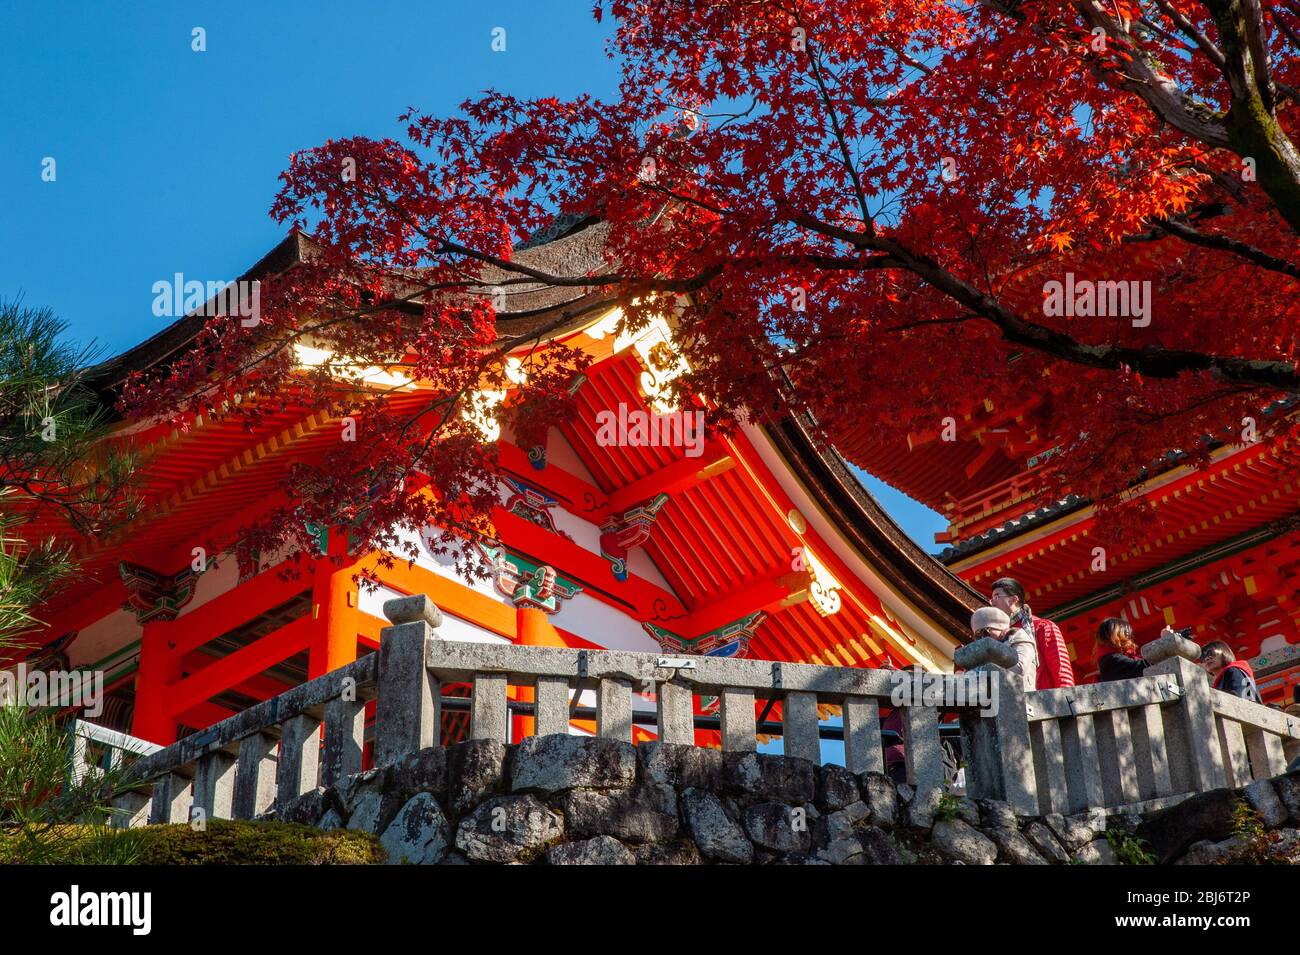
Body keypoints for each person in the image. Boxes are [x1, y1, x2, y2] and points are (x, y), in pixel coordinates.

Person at [989, 577, 1075, 690]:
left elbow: (1060, 667)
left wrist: (1067, 698)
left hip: (1045, 698)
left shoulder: (1043, 627)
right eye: (991, 598)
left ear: (1013, 599)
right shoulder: (998, 635)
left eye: (997, 596)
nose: (992, 602)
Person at [971, 605, 1038, 690]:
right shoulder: (985, 649)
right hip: (996, 696)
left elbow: (1019, 668)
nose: (983, 638)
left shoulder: (1019, 638)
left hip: (1020, 696)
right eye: (978, 636)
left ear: (999, 627)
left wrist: (987, 667)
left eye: (985, 632)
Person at [1094, 617, 1149, 682]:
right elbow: (1142, 667)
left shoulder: (1107, 659)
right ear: (1116, 635)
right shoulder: (1112, 660)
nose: (1130, 639)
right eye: (1127, 634)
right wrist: (1162, 644)